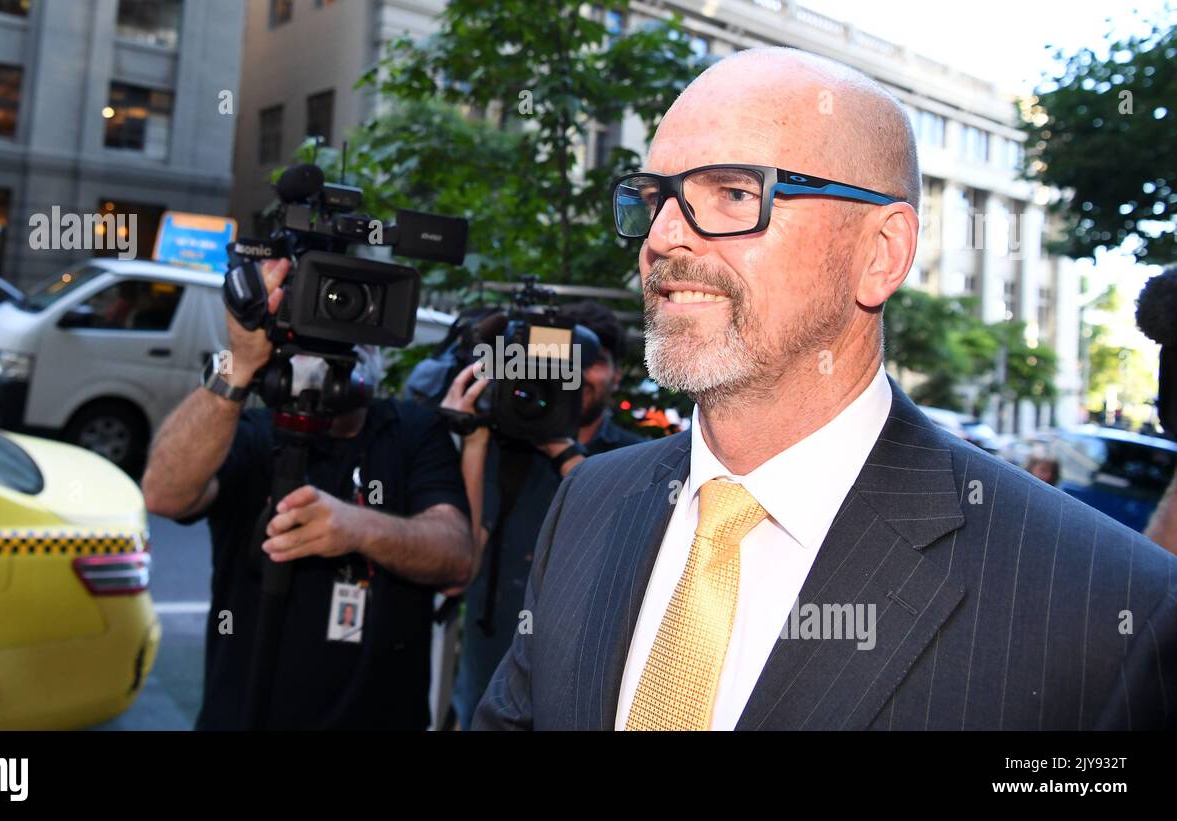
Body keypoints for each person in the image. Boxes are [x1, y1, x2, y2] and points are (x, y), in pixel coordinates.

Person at [474, 47, 1177, 731]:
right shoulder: (588, 503)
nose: (662, 237)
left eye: (734, 192)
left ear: (881, 254)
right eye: (651, 198)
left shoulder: (1104, 606)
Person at [142, 258, 474, 730]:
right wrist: (237, 364)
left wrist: (356, 527)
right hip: (244, 714)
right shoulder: (252, 432)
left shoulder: (412, 430)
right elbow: (164, 495)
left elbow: (455, 557)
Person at [438, 300, 644, 728]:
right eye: (569, 361)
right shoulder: (501, 443)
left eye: (595, 362)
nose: (581, 375)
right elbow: (458, 569)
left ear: (616, 374)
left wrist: (562, 451)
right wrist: (473, 440)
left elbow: (631, 554)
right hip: (487, 675)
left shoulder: (639, 457)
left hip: (584, 684)